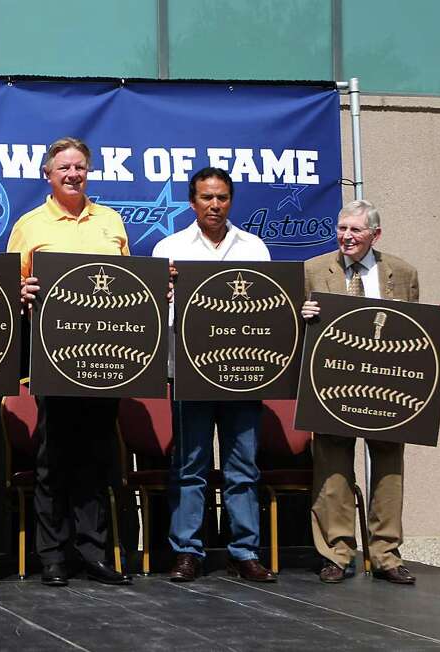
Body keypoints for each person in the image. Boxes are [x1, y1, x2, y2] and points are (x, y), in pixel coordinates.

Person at [300, 199, 440, 585]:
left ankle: (386, 554)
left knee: (389, 472)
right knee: (332, 470)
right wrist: (302, 317)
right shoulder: (313, 269)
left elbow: (415, 331)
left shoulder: (402, 273)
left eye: (355, 230)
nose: (346, 237)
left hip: (386, 389)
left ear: (375, 234)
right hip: (334, 385)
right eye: (342, 228)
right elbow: (297, 330)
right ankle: (337, 554)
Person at [7, 137, 132, 587]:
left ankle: (92, 552)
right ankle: (53, 555)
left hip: (104, 362)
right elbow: (11, 289)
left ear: (89, 172)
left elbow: (128, 288)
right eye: (64, 168)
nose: (73, 175)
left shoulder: (111, 222)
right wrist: (20, 294)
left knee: (96, 460)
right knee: (52, 460)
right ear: (48, 175)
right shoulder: (30, 225)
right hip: (52, 360)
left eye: (80, 167)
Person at [152, 167, 276, 583]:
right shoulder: (169, 248)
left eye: (222, 197)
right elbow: (159, 318)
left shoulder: (254, 248)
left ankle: (245, 551)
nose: (215, 205)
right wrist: (166, 292)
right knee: (190, 467)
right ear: (193, 202)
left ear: (231, 201)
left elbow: (269, 312)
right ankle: (187, 551)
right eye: (207, 197)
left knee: (243, 468)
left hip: (244, 374)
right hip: (189, 374)